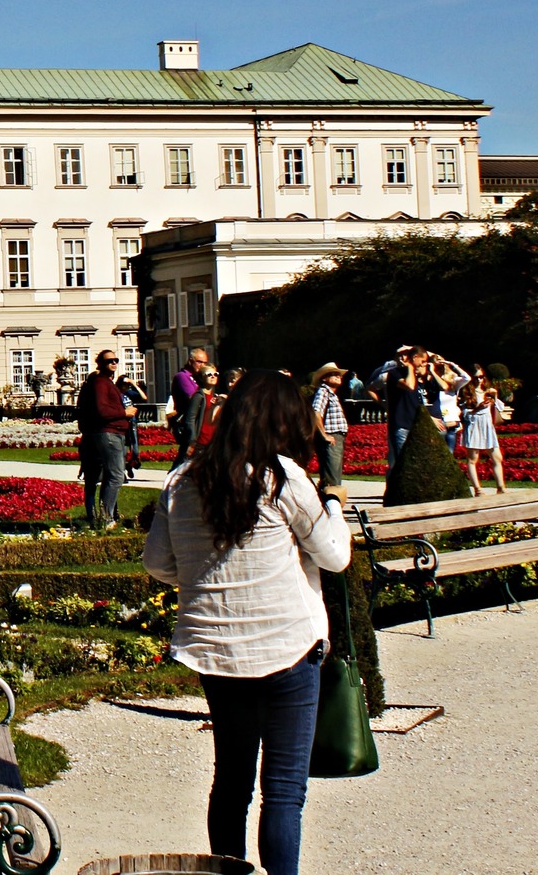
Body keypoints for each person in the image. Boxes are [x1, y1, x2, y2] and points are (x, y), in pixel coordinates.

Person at [144, 370, 352, 875]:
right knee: (283, 789)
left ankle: (227, 871)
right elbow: (334, 556)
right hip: (287, 644)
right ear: (286, 422)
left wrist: (204, 571)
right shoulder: (282, 477)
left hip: (215, 648)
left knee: (231, 781)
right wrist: (333, 506)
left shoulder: (183, 478)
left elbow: (159, 563)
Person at [76, 351, 133, 529]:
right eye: (109, 361)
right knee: (115, 476)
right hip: (109, 433)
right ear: (100, 363)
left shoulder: (103, 383)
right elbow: (102, 410)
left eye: (116, 360)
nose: (114, 363)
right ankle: (106, 518)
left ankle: (100, 516)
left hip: (103, 433)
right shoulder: (101, 383)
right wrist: (124, 413)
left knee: (100, 477)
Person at [384, 347, 432, 472]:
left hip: (414, 425)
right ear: (415, 357)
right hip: (401, 425)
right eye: (422, 361)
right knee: (403, 464)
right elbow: (409, 386)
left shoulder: (415, 377)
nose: (423, 364)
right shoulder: (394, 373)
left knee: (416, 462)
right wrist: (410, 367)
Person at [459, 368, 503, 494]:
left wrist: (495, 396)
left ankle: (501, 487)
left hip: (487, 425)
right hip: (474, 425)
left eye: (481, 377)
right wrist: (477, 408)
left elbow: (500, 407)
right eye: (476, 377)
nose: (479, 380)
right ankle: (477, 489)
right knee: (473, 459)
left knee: (497, 458)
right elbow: (464, 414)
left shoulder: (487, 391)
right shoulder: (467, 392)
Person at [308, 364, 348, 493]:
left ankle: (330, 498)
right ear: (324, 378)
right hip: (331, 436)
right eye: (333, 374)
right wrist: (324, 434)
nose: (338, 376)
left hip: (336, 436)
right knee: (332, 477)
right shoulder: (323, 391)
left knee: (333, 474)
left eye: (339, 374)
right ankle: (332, 500)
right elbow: (316, 412)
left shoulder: (331, 393)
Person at [171, 348, 210, 468]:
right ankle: (174, 476)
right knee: (185, 460)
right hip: (189, 424)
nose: (203, 365)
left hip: (200, 424)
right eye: (199, 362)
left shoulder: (198, 378)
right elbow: (193, 398)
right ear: (190, 361)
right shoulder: (183, 377)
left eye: (205, 363)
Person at [118, 374, 151, 480]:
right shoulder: (116, 394)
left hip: (132, 423)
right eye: (125, 384)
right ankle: (122, 473)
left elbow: (144, 398)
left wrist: (134, 384)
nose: (126, 387)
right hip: (122, 424)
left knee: (135, 452)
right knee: (123, 451)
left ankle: (129, 465)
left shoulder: (129, 393)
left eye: (128, 385)